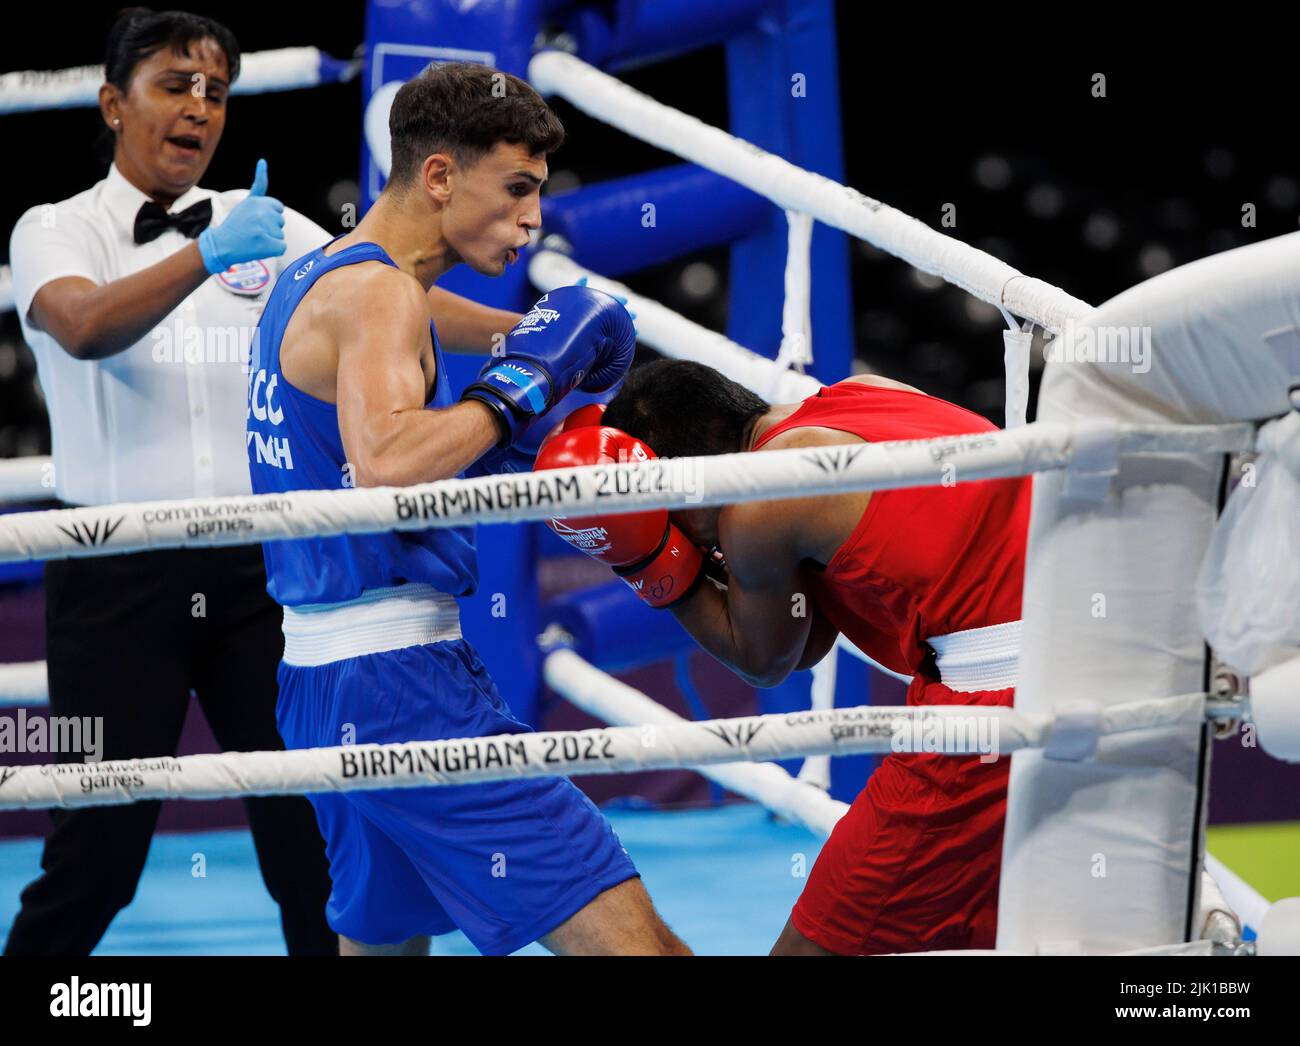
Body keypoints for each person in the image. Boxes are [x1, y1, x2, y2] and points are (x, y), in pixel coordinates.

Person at [3, 9, 516, 956]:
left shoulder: (269, 222)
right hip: (111, 577)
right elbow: (78, 326)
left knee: (309, 837)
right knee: (94, 848)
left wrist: (529, 335)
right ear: (114, 103)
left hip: (265, 573)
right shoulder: (54, 227)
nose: (198, 107)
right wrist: (206, 255)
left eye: (215, 90)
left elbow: (400, 297)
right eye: (173, 84)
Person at [246, 61, 689, 957]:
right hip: (406, 689)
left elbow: (434, 332)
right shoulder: (378, 296)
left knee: (386, 948)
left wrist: (539, 344)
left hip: (321, 681)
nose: (535, 218)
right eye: (518, 189)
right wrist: (517, 389)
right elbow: (388, 465)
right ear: (440, 175)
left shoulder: (321, 278)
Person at [537, 358, 1030, 955]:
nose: (688, 540)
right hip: (1098, 640)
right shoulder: (864, 394)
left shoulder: (759, 500)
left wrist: (646, 561)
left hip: (994, 698)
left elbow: (765, 660)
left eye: (670, 517)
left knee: (816, 944)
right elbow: (807, 638)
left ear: (680, 475)